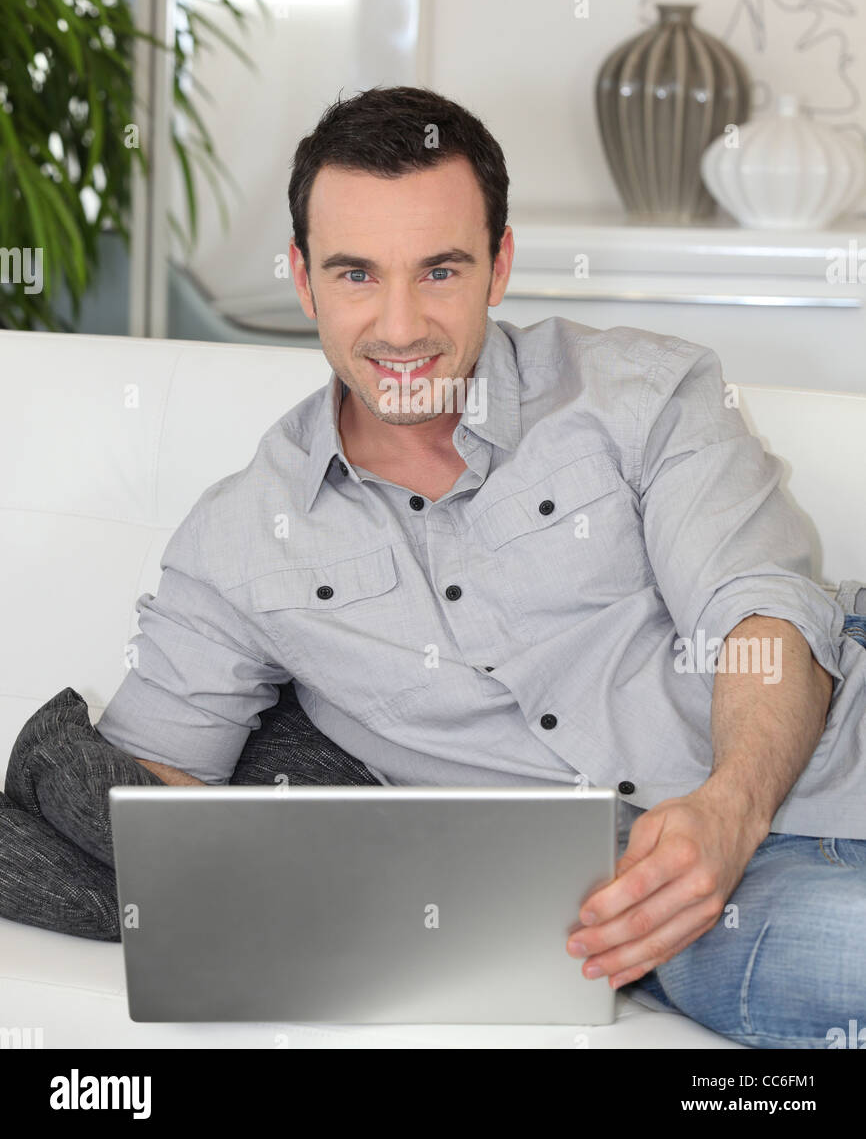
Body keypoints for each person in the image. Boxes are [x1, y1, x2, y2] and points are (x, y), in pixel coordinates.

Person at [3, 85, 865, 1049]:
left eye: (441, 270)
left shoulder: (642, 392)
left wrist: (730, 802)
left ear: (499, 265)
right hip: (660, 911)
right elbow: (148, 807)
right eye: (357, 274)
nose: (402, 327)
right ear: (303, 279)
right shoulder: (237, 542)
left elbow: (758, 605)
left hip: (815, 751)